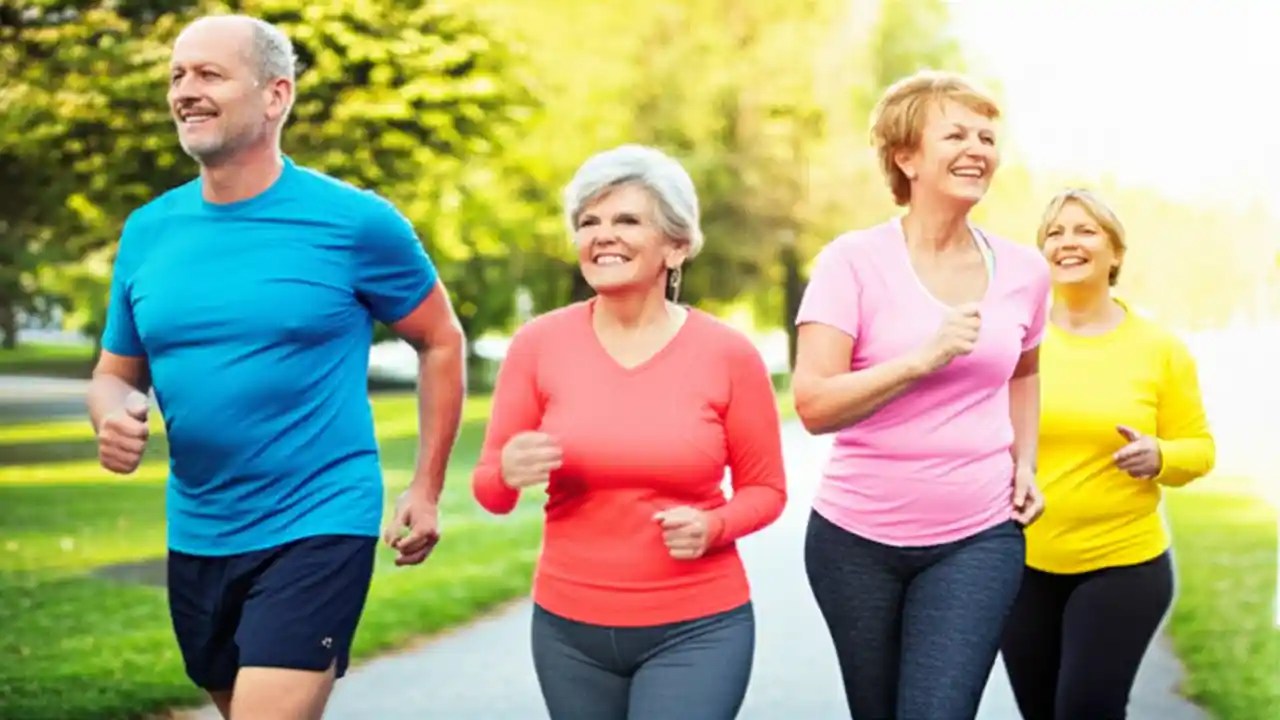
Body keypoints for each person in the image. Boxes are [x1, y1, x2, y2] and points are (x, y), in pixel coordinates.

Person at [88, 14, 466, 720]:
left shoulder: (355, 223)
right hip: (199, 528)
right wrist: (111, 412)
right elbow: (115, 372)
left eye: (208, 74)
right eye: (176, 75)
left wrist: (426, 485)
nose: (185, 91)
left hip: (318, 519)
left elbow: (441, 339)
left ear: (275, 95)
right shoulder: (148, 231)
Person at [471, 144, 787, 720]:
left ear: (677, 244)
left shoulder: (728, 355)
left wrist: (714, 525)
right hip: (569, 633)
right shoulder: (538, 346)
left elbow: (766, 491)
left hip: (698, 627)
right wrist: (507, 472)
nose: (602, 235)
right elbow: (490, 490)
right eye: (588, 222)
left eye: (627, 220)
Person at [791, 69, 1050, 720]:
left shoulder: (1024, 271)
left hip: (979, 536)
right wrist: (921, 359)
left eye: (987, 136)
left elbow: (1025, 371)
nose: (978, 148)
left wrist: (1025, 461)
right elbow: (814, 404)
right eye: (956, 134)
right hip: (855, 542)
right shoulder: (851, 261)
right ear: (905, 157)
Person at [999, 189, 1216, 719]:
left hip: (1122, 564)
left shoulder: (1159, 349)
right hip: (1021, 564)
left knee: (1085, 710)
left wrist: (1159, 455)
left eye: (1084, 230)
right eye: (1055, 233)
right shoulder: (1014, 341)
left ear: (1115, 252)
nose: (1067, 242)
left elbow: (1200, 449)